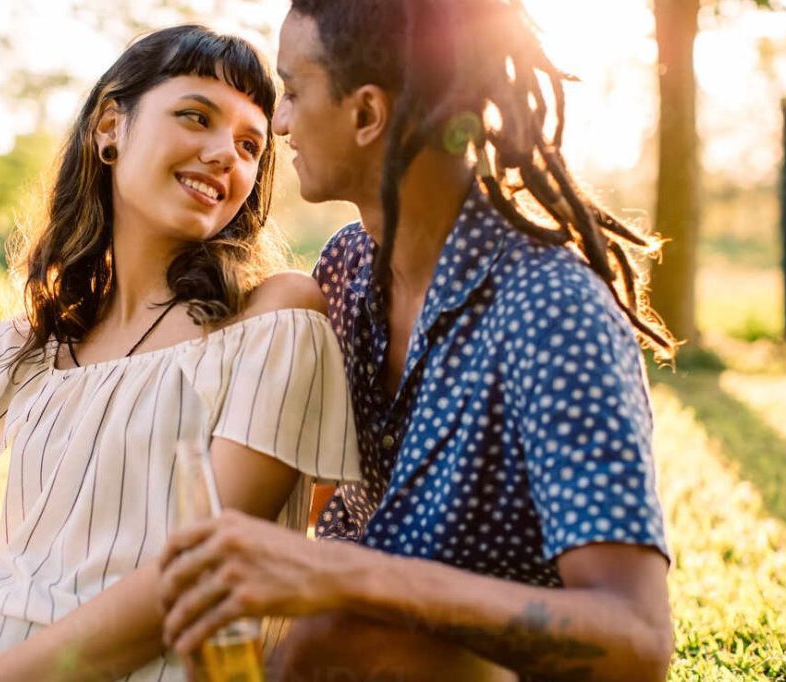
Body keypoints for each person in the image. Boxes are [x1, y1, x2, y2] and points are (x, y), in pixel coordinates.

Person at [0, 24, 360, 682]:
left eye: (248, 145)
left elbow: (197, 579)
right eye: (195, 117)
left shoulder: (275, 316)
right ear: (110, 128)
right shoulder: (40, 339)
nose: (223, 155)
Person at [158, 2, 677, 680]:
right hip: (343, 653)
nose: (280, 121)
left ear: (366, 114)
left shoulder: (552, 308)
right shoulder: (346, 269)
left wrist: (345, 574)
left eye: (294, 90)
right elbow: (312, 490)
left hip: (470, 665)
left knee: (344, 643)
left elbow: (636, 640)